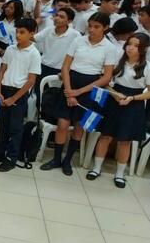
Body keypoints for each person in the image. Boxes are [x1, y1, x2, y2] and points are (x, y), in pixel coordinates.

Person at [40, 13, 118, 176]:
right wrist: (69, 92)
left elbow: (106, 77)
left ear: (105, 28)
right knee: (62, 124)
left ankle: (67, 160)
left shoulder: (109, 48)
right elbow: (65, 67)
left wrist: (79, 92)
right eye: (90, 26)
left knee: (79, 126)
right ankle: (56, 159)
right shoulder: (78, 41)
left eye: (96, 27)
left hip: (90, 88)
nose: (91, 29)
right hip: (70, 83)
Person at [87, 34, 149, 188]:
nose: (130, 47)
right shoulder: (117, 61)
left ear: (143, 49)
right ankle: (96, 168)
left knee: (125, 140)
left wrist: (132, 98)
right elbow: (106, 82)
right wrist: (114, 94)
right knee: (105, 135)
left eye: (135, 45)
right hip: (114, 100)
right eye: (129, 44)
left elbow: (149, 92)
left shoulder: (147, 66)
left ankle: (120, 173)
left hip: (134, 103)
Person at [0, 18, 41, 171]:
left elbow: (30, 81)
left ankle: (11, 157)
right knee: (2, 126)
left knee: (15, 128)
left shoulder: (34, 53)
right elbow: (2, 70)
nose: (18, 35)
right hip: (4, 90)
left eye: (22, 32)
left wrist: (13, 98)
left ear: (31, 34)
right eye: (17, 31)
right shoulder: (10, 49)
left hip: (19, 94)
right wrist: (0, 92)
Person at [35, 7, 80, 79]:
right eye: (56, 15)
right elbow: (34, 38)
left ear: (69, 21)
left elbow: (76, 55)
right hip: (43, 66)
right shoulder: (48, 29)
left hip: (60, 70)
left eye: (61, 17)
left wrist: (67, 70)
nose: (57, 18)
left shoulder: (75, 35)